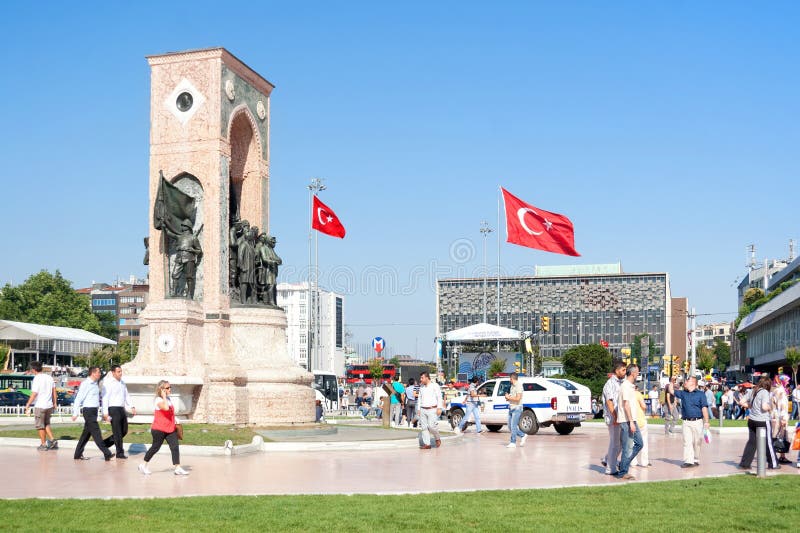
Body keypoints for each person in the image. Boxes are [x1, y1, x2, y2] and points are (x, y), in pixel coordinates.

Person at [139, 380, 188, 476]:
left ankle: (177, 467)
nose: (170, 389)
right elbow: (165, 408)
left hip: (170, 428)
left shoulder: (168, 400)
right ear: (162, 389)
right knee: (155, 448)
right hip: (159, 429)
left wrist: (176, 419)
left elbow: (170, 412)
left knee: (175, 447)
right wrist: (164, 397)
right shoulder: (158, 400)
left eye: (170, 387)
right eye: (167, 388)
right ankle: (143, 464)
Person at [72, 367, 115, 461]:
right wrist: (75, 413)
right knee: (96, 433)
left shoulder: (95, 384)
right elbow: (78, 399)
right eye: (98, 372)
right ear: (93, 373)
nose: (100, 374)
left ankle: (77, 454)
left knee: (86, 435)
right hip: (88, 411)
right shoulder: (86, 384)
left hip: (93, 411)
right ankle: (107, 453)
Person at [738, 376, 779, 470]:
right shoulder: (765, 392)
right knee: (768, 442)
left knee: (751, 443)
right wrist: (771, 407)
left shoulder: (752, 391)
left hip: (752, 420)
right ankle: (773, 463)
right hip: (763, 421)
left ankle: (745, 464)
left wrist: (752, 407)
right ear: (768, 385)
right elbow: (764, 407)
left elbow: (741, 402)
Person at [101, 364, 136, 459]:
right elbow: (105, 398)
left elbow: (126, 395)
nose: (121, 373)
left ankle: (104, 444)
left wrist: (131, 406)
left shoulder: (122, 383)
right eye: (118, 372)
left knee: (124, 431)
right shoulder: (108, 383)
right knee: (117, 432)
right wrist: (105, 413)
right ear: (113, 373)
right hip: (112, 409)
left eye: (121, 371)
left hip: (121, 409)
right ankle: (120, 453)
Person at [674, 377, 710, 468]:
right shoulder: (683, 393)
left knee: (697, 442)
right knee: (687, 442)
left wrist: (707, 421)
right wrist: (672, 381)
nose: (685, 382)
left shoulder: (701, 394)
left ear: (693, 383)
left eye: (687, 380)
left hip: (698, 421)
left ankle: (696, 458)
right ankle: (688, 461)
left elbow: (704, 408)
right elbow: (671, 390)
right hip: (686, 422)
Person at [616, 364, 643, 480]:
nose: (638, 374)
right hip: (627, 421)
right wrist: (631, 422)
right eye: (637, 372)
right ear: (632, 373)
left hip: (632, 420)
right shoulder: (626, 386)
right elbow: (626, 405)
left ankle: (623, 464)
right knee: (627, 447)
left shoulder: (630, 386)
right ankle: (623, 472)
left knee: (639, 443)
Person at [24, 361, 58, 451]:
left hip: (40, 405)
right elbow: (54, 391)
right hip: (49, 405)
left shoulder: (37, 378)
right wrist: (55, 403)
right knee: (46, 423)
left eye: (31, 369)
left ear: (34, 370)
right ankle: (52, 440)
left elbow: (34, 393)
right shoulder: (49, 377)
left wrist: (28, 404)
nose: (30, 371)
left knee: (40, 425)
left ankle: (43, 444)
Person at [601, 361, 626, 474]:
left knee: (621, 443)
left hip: (622, 417)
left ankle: (608, 459)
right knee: (615, 443)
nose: (625, 372)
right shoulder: (609, 384)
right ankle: (610, 469)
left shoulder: (622, 382)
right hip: (613, 418)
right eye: (623, 370)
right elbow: (609, 402)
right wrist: (615, 417)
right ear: (617, 371)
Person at [417, 372, 443, 449]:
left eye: (422, 377)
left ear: (427, 378)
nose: (420, 379)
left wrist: (439, 408)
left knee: (432, 426)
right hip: (423, 409)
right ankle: (427, 444)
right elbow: (419, 398)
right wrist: (418, 409)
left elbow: (439, 397)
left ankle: (437, 437)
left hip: (432, 409)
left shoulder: (435, 385)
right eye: (420, 378)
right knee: (424, 427)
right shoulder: (421, 387)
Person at [771, 375, 791, 464]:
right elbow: (782, 405)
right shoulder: (781, 391)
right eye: (786, 380)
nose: (788, 382)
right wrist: (783, 418)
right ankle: (775, 456)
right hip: (780, 417)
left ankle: (780, 456)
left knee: (777, 437)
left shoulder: (774, 390)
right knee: (780, 437)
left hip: (775, 417)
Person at [504, 372, 527, 449]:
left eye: (510, 379)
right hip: (511, 407)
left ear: (512, 378)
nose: (509, 380)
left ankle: (513, 442)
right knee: (510, 427)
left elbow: (518, 398)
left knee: (513, 426)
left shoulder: (518, 386)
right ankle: (523, 435)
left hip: (517, 408)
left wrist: (509, 397)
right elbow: (512, 397)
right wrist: (508, 397)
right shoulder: (512, 386)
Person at [632, 386, 650, 468]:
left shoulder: (625, 394)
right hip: (640, 420)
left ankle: (633, 461)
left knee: (632, 443)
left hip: (631, 421)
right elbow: (644, 406)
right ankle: (644, 462)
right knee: (644, 442)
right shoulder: (637, 394)